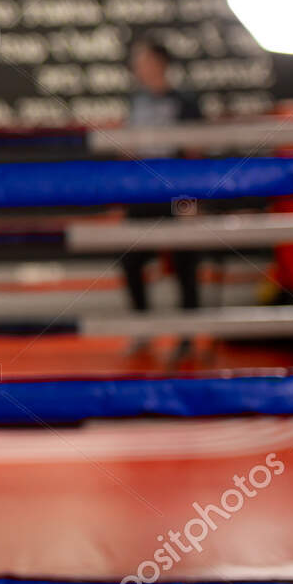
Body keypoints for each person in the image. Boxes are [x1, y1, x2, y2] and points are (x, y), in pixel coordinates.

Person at [117, 34, 205, 365]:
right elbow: (126, 147)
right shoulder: (134, 102)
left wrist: (193, 198)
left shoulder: (185, 101)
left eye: (143, 61)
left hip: (178, 191)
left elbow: (198, 151)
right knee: (131, 260)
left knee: (185, 263)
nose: (138, 68)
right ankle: (143, 329)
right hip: (142, 192)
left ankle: (187, 337)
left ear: (159, 63)